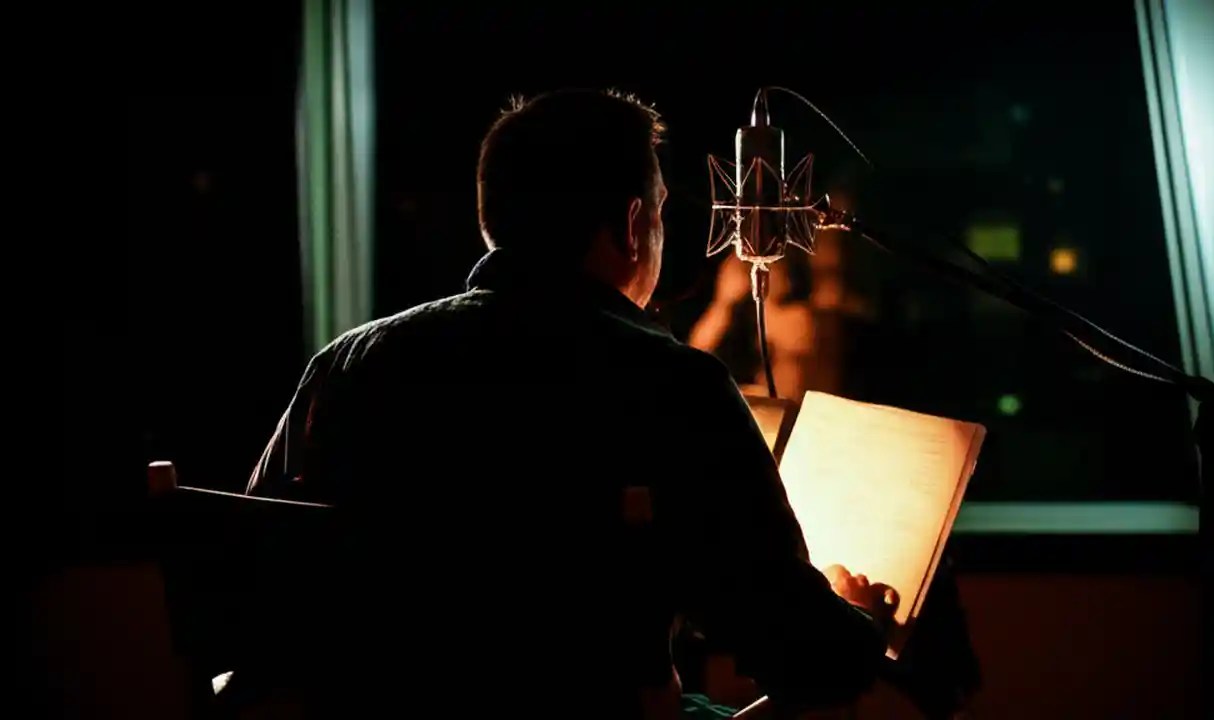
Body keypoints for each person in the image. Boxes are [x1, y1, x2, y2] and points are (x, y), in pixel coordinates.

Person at [242, 89, 903, 719]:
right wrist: (860, 620)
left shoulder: (347, 367)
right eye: (662, 213)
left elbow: (251, 587)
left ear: (492, 219)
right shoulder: (668, 386)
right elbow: (812, 659)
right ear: (634, 224)